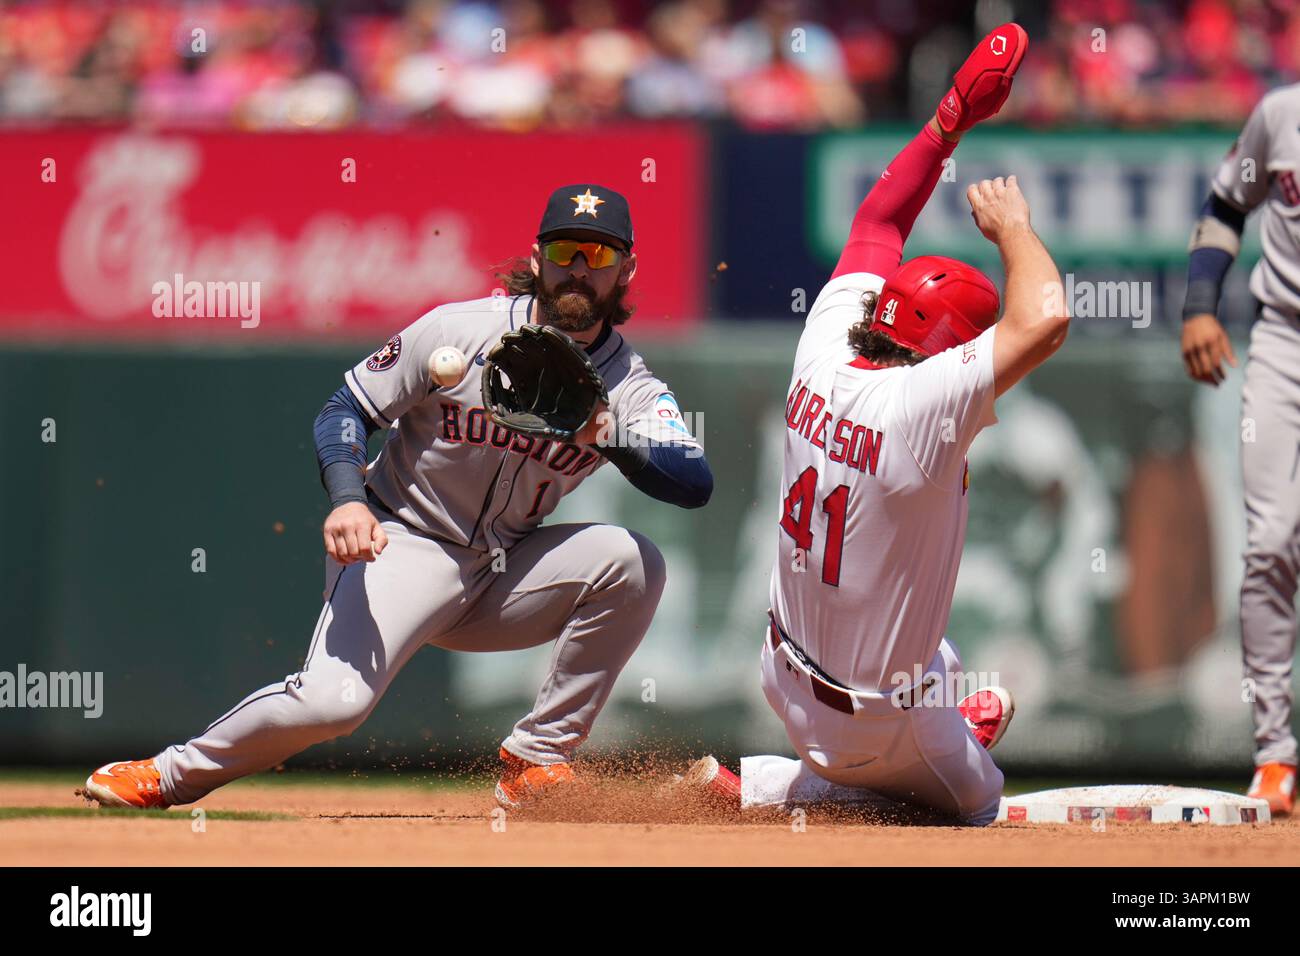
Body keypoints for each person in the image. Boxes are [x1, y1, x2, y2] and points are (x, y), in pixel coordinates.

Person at [80, 183, 713, 811]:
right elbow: (344, 410)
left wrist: (601, 430)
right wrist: (349, 498)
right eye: (567, 249)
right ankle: (168, 775)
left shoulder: (627, 385)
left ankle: (537, 759)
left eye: (599, 255)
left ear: (627, 268)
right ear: (538, 254)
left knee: (633, 560)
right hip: (404, 542)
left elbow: (692, 482)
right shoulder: (460, 329)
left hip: (506, 570)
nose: (579, 268)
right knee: (334, 704)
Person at [697, 23, 1070, 825]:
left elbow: (876, 223)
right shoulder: (925, 405)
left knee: (945, 656)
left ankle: (922, 726)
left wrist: (947, 122)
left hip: (779, 668)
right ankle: (780, 785)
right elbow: (1046, 319)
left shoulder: (824, 341)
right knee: (979, 807)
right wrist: (1012, 229)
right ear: (949, 353)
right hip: (871, 723)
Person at [1180, 85, 1300, 815]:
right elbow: (1228, 205)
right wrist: (1200, 305)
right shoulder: (1283, 114)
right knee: (1271, 542)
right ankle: (1276, 758)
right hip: (1285, 340)